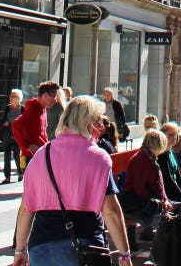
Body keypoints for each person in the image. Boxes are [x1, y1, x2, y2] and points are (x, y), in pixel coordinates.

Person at [13, 95, 132, 266]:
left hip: (42, 245)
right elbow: (111, 210)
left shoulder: (42, 155)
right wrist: (124, 255)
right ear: (87, 122)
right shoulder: (98, 157)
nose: (101, 126)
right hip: (84, 244)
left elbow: (26, 208)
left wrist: (19, 250)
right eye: (98, 120)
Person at [120, 129, 172, 228]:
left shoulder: (150, 158)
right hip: (135, 202)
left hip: (145, 199)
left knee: (176, 209)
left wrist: (164, 199)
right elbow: (139, 189)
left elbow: (159, 185)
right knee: (168, 216)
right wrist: (160, 201)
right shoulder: (142, 159)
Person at [12, 81, 60, 170]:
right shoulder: (34, 109)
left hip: (38, 155)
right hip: (31, 157)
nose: (55, 100)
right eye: (53, 97)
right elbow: (16, 125)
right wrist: (25, 146)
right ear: (45, 95)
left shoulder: (42, 108)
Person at [0, 89, 24, 184]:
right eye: (11, 96)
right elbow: (3, 120)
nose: (10, 98)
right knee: (7, 156)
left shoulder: (23, 109)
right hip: (8, 134)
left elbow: (24, 123)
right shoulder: (8, 108)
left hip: (18, 135)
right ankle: (7, 177)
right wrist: (5, 123)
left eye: (13, 96)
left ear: (18, 99)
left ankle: (20, 172)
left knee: (17, 155)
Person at [157, 124, 181, 202]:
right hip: (168, 194)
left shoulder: (171, 152)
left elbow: (178, 176)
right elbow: (168, 179)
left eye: (175, 134)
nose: (173, 137)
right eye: (170, 135)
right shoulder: (161, 155)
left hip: (176, 191)